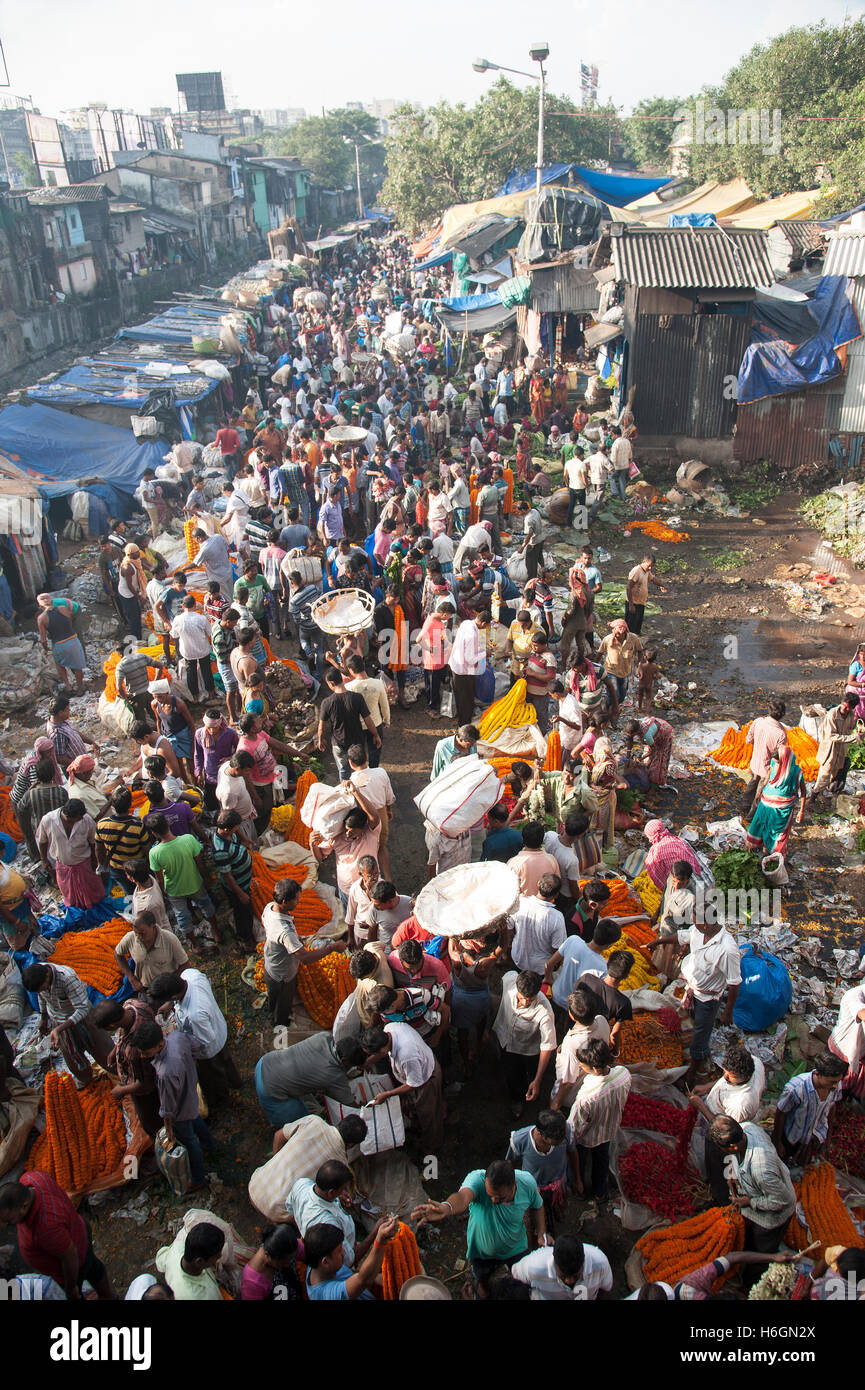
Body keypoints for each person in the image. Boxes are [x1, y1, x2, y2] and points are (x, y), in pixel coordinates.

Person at [412, 1160, 548, 1300]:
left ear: (514, 1185)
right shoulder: (477, 1179)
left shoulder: (527, 1183)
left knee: (520, 1285)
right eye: (490, 1196)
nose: (494, 1200)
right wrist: (446, 1208)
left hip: (516, 1249)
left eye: (500, 1197)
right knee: (484, 1283)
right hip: (482, 1253)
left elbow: (538, 1206)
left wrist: (542, 1232)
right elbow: (463, 1197)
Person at [658, 912, 742, 1088]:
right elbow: (683, 936)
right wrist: (659, 942)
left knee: (700, 1036)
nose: (692, 924)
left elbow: (734, 984)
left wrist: (728, 1012)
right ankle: (688, 1048)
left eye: (695, 922)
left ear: (706, 924)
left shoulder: (727, 949)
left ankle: (692, 1073)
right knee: (688, 1020)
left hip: (708, 999)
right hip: (692, 990)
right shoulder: (699, 931)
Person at [0, 1174, 114, 1300]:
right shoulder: (32, 1178)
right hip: (78, 1230)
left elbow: (70, 1256)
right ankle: (108, 1296)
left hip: (73, 1262)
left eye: (9, 1220)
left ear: (25, 1206)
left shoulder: (46, 1226)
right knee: (94, 1268)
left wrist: (71, 1287)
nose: (4, 1225)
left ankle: (105, 1296)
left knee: (86, 1277)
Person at [248, 1114, 367, 1225]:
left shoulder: (313, 1121)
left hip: (255, 1186)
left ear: (341, 1123)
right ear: (351, 1145)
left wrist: (277, 1161)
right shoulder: (340, 1165)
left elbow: (278, 1136)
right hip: (278, 1215)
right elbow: (322, 1196)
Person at [148, 968, 240, 1110]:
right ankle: (236, 1082)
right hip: (218, 1027)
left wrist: (180, 1044)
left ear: (173, 996)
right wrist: (171, 1004)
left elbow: (206, 1041)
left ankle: (224, 1100)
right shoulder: (190, 975)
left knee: (215, 1073)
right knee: (226, 1060)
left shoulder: (194, 1015)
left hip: (210, 1049)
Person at [707, 1116, 797, 1256]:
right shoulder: (747, 1127)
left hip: (771, 1216)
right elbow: (733, 1156)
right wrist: (732, 1170)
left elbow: (782, 1200)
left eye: (721, 1148)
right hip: (760, 1194)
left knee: (760, 1251)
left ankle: (755, 1272)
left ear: (732, 1147)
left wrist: (750, 1201)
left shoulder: (761, 1169)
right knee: (747, 1240)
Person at [261, 877, 341, 1026]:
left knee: (274, 995)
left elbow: (266, 924)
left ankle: (273, 1009)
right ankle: (279, 1023)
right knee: (283, 1001)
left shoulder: (270, 907)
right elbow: (305, 957)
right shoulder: (285, 932)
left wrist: (295, 941)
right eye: (296, 900)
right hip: (282, 974)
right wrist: (331, 948)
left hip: (271, 965)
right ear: (285, 901)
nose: (299, 902)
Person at [20, 961, 112, 1085]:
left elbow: (83, 1009)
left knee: (104, 1052)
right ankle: (89, 1084)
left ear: (47, 976)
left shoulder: (67, 978)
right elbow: (41, 997)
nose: (42, 991)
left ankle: (120, 1077)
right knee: (73, 1060)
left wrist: (58, 1029)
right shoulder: (39, 977)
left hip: (83, 1019)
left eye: (43, 988)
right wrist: (43, 1018)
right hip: (59, 1021)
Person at [360, 1021, 444, 1151]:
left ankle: (432, 1146)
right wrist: (368, 1062)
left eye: (373, 1054)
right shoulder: (390, 1029)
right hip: (416, 1069)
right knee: (418, 1109)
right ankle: (419, 1123)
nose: (373, 1056)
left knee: (429, 1116)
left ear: (382, 1050)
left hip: (426, 1080)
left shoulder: (406, 1055)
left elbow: (414, 1084)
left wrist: (387, 1094)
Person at [567, 1038, 631, 1202]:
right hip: (609, 1130)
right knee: (602, 1159)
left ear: (594, 1068)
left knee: (580, 1161)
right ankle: (600, 1192)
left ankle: (579, 1187)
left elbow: (575, 1126)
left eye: (582, 1066)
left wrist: (570, 1136)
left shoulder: (587, 1096)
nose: (580, 1067)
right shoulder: (624, 1074)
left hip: (587, 1137)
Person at [91, 995, 162, 1139]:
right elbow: (123, 1036)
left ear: (111, 1026)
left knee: (150, 1121)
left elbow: (146, 1083)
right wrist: (115, 1050)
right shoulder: (132, 1004)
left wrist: (122, 1090)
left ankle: (164, 1140)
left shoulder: (137, 1050)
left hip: (146, 1091)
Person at [254, 1035, 363, 1127]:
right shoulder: (334, 1075)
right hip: (269, 1090)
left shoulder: (324, 1036)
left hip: (265, 1062)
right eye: (351, 1065)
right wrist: (362, 1109)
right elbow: (350, 1103)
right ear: (344, 1060)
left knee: (302, 1087)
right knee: (306, 1122)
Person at [493, 969, 556, 1120]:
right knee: (512, 1073)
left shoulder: (545, 1011)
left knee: (529, 1071)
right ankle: (516, 1099)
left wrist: (538, 1080)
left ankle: (528, 1087)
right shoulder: (510, 981)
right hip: (505, 1039)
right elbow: (505, 975)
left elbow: (547, 1046)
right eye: (521, 998)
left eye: (530, 1000)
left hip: (527, 1049)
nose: (525, 1003)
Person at [146, 813, 216, 942]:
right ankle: (216, 932)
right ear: (168, 822)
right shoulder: (188, 839)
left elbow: (159, 878)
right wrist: (207, 878)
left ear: (153, 833)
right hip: (195, 883)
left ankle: (194, 944)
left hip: (174, 890)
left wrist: (164, 894)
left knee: (182, 916)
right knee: (206, 905)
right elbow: (200, 863)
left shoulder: (154, 853)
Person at [507, 1110, 580, 1229]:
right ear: (542, 1135)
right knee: (536, 1220)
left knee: (557, 1205)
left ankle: (555, 1214)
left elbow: (572, 1153)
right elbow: (509, 1163)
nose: (562, 1142)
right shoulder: (520, 1140)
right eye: (557, 1142)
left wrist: (578, 1180)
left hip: (558, 1185)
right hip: (533, 1189)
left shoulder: (566, 1131)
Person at [772, 1052, 847, 1164]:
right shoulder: (796, 1088)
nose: (836, 1086)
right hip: (792, 1137)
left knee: (805, 1169)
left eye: (838, 1081)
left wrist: (828, 1138)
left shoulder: (834, 1087)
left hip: (815, 1137)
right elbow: (781, 1113)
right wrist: (778, 1142)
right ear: (818, 1073)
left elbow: (832, 1107)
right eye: (832, 1082)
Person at [304, 1216, 400, 1301]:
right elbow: (363, 1280)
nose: (343, 1252)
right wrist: (380, 1240)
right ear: (325, 1262)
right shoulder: (329, 1295)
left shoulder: (317, 1264)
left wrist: (375, 1278)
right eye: (339, 1250)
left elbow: (352, 1275)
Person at [37, 800, 105, 910]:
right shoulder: (48, 820)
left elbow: (93, 842)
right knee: (70, 895)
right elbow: (42, 841)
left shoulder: (86, 820)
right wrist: (44, 859)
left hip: (84, 863)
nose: (81, 819)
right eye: (78, 817)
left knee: (93, 892)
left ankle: (93, 907)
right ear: (69, 817)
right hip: (63, 865)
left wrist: (95, 860)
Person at [745, 740, 807, 860]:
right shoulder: (774, 764)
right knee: (762, 826)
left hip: (781, 809)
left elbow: (803, 792)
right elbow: (767, 778)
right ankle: (760, 848)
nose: (776, 763)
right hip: (766, 804)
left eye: (778, 762)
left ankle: (769, 852)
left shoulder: (796, 772)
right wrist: (759, 792)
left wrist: (801, 811)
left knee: (776, 831)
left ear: (786, 761)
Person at [317, 668, 380, 783]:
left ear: (331, 683)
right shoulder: (357, 697)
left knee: (343, 771)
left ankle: (347, 793)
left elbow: (321, 726)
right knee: (360, 770)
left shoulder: (327, 702)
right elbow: (368, 720)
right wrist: (376, 734)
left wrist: (320, 739)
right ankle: (363, 790)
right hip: (357, 743)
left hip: (339, 744)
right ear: (341, 679)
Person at [512, 1234, 613, 1301]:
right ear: (554, 1263)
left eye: (575, 1275)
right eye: (564, 1276)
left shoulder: (600, 1262)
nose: (569, 1281)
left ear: (583, 1262)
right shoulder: (533, 1266)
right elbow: (514, 1282)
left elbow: (605, 1291)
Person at [114, 909, 188, 994]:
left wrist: (169, 983)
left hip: (167, 990)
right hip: (145, 989)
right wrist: (131, 978)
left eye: (142, 933)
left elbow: (185, 964)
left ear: (153, 927)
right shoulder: (131, 938)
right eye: (136, 933)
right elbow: (117, 954)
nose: (138, 937)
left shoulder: (169, 939)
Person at [512, 875, 567, 976]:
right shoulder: (557, 917)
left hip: (518, 959)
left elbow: (508, 930)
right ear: (556, 895)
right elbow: (557, 948)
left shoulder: (520, 903)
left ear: (538, 884)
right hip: (541, 968)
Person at [155, 1222, 225, 1300]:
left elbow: (160, 1261)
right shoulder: (200, 1296)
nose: (220, 1256)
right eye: (216, 1255)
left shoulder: (177, 1248)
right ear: (199, 1261)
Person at [15, 758, 68, 861]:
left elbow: (20, 808)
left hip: (41, 835)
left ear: (38, 776)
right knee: (61, 860)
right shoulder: (61, 792)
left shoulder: (30, 794)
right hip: (59, 832)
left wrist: (30, 788)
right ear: (53, 774)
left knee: (48, 860)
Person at [36, 595, 86, 696]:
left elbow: (43, 639)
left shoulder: (41, 618)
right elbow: (70, 621)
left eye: (46, 598)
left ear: (39, 604)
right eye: (44, 598)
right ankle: (80, 689)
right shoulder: (63, 609)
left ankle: (68, 686)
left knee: (59, 665)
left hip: (59, 644)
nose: (45, 600)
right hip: (72, 640)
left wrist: (46, 649)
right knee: (77, 667)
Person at [171, 596, 215, 702]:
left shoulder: (177, 619)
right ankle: (211, 694)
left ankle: (195, 697)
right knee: (206, 671)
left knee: (191, 673)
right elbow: (209, 632)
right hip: (202, 649)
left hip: (187, 651)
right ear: (195, 606)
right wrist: (203, 611)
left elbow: (174, 635)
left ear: (183, 606)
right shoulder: (201, 618)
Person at [448, 611, 489, 725]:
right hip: (463, 669)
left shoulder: (466, 623)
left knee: (461, 694)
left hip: (456, 664)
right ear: (483, 623)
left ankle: (463, 718)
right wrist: (485, 653)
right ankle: (464, 723)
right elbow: (470, 659)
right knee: (465, 697)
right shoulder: (472, 634)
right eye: (486, 625)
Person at [193, 709, 238, 812]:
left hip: (226, 774)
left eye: (215, 727)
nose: (212, 731)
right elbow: (198, 754)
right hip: (210, 776)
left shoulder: (230, 733)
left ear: (220, 723)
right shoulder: (199, 734)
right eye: (209, 728)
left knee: (228, 803)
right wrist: (199, 773)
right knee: (211, 805)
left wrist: (231, 758)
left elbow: (239, 750)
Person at [829, 979, 865, 1098]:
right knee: (830, 1089)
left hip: (858, 1054)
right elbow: (862, 1013)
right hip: (840, 1052)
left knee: (846, 1093)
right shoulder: (855, 995)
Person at [507, 822, 559, 898]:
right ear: (542, 840)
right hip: (546, 906)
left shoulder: (513, 863)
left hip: (523, 906)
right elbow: (556, 885)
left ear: (522, 838)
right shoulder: (552, 860)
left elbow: (509, 890)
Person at [625, 554, 666, 635]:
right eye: (649, 566)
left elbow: (653, 580)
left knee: (637, 626)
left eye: (652, 566)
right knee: (630, 627)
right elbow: (628, 587)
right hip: (633, 603)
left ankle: (636, 643)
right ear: (644, 562)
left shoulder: (647, 571)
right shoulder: (636, 571)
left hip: (641, 603)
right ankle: (628, 644)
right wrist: (631, 604)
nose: (650, 568)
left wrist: (662, 585)